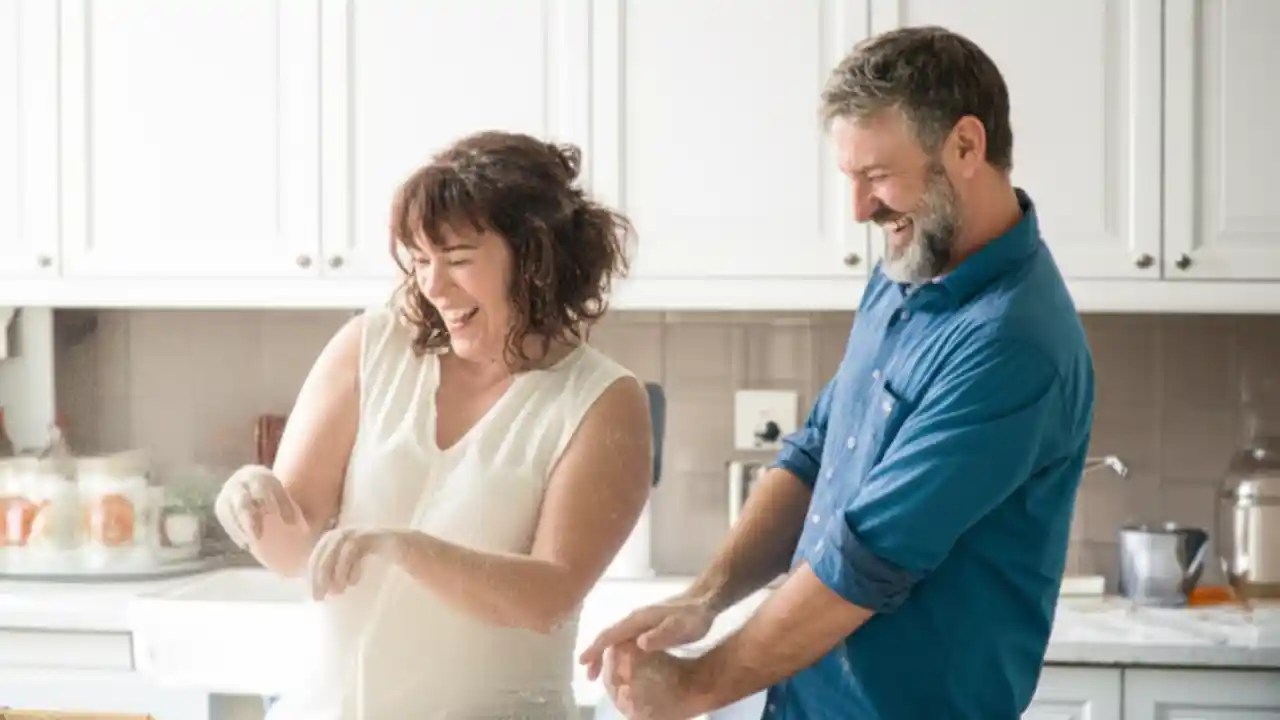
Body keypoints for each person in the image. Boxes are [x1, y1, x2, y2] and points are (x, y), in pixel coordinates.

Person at [580, 25, 1095, 720]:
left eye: (877, 176)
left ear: (966, 146)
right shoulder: (908, 269)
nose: (859, 209)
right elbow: (818, 451)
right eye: (851, 178)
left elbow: (865, 560)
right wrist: (705, 597)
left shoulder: (1012, 345)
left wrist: (695, 686)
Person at [213, 130, 655, 719]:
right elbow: (300, 552)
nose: (432, 285)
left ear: (536, 258)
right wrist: (250, 502)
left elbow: (548, 595)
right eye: (421, 261)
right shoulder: (371, 347)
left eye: (458, 260)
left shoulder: (603, 400)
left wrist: (405, 548)